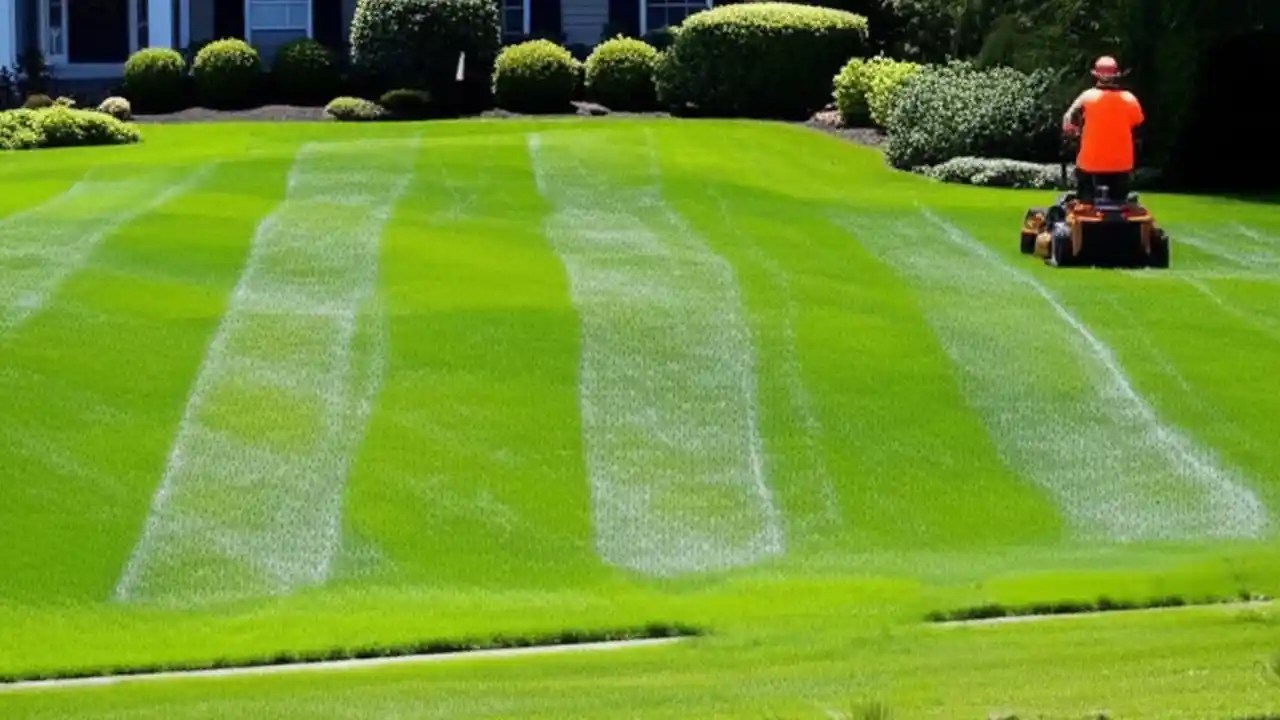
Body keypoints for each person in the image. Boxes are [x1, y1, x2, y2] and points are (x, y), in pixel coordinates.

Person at [1061, 56, 1145, 203]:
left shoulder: (1086, 98)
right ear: (1117, 75)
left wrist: (1075, 134)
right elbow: (1138, 127)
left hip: (1089, 165)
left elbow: (1067, 122)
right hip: (1121, 165)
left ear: (1095, 74)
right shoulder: (1130, 99)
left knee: (1086, 203)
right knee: (1120, 204)